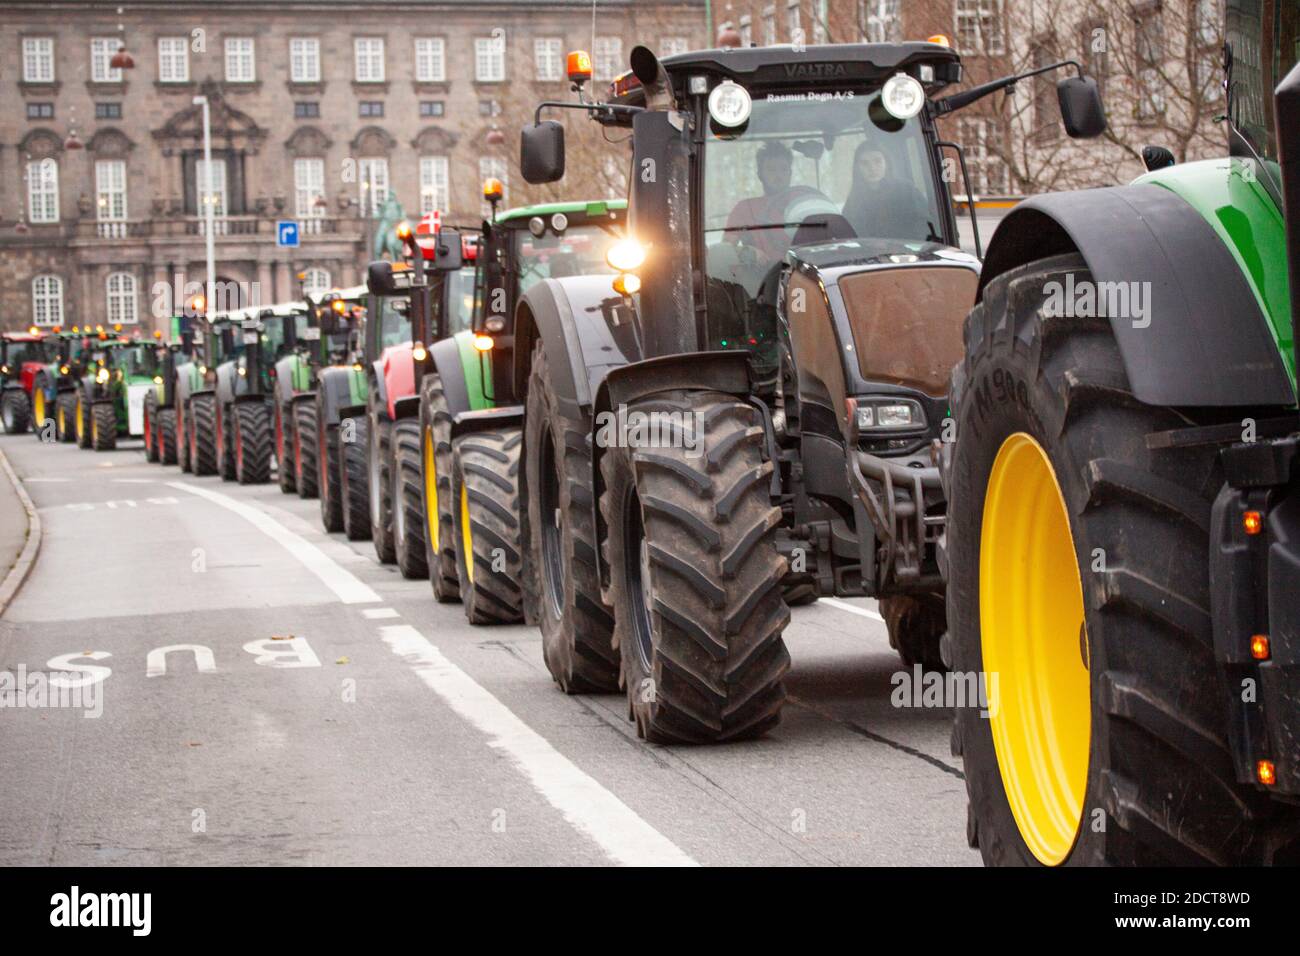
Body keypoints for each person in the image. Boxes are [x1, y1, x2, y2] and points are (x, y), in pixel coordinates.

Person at [724, 141, 824, 260]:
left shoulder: (807, 205)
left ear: (790, 173)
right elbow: (726, 248)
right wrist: (749, 252)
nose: (778, 175)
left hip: (808, 270)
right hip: (763, 275)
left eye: (783, 169)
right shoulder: (745, 209)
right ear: (760, 174)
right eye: (771, 169)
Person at [841, 141, 932, 241]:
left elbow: (923, 225)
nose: (872, 168)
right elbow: (848, 234)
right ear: (857, 168)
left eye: (878, 161)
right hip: (869, 253)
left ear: (886, 163)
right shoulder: (854, 200)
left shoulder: (906, 190)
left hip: (906, 252)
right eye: (864, 163)